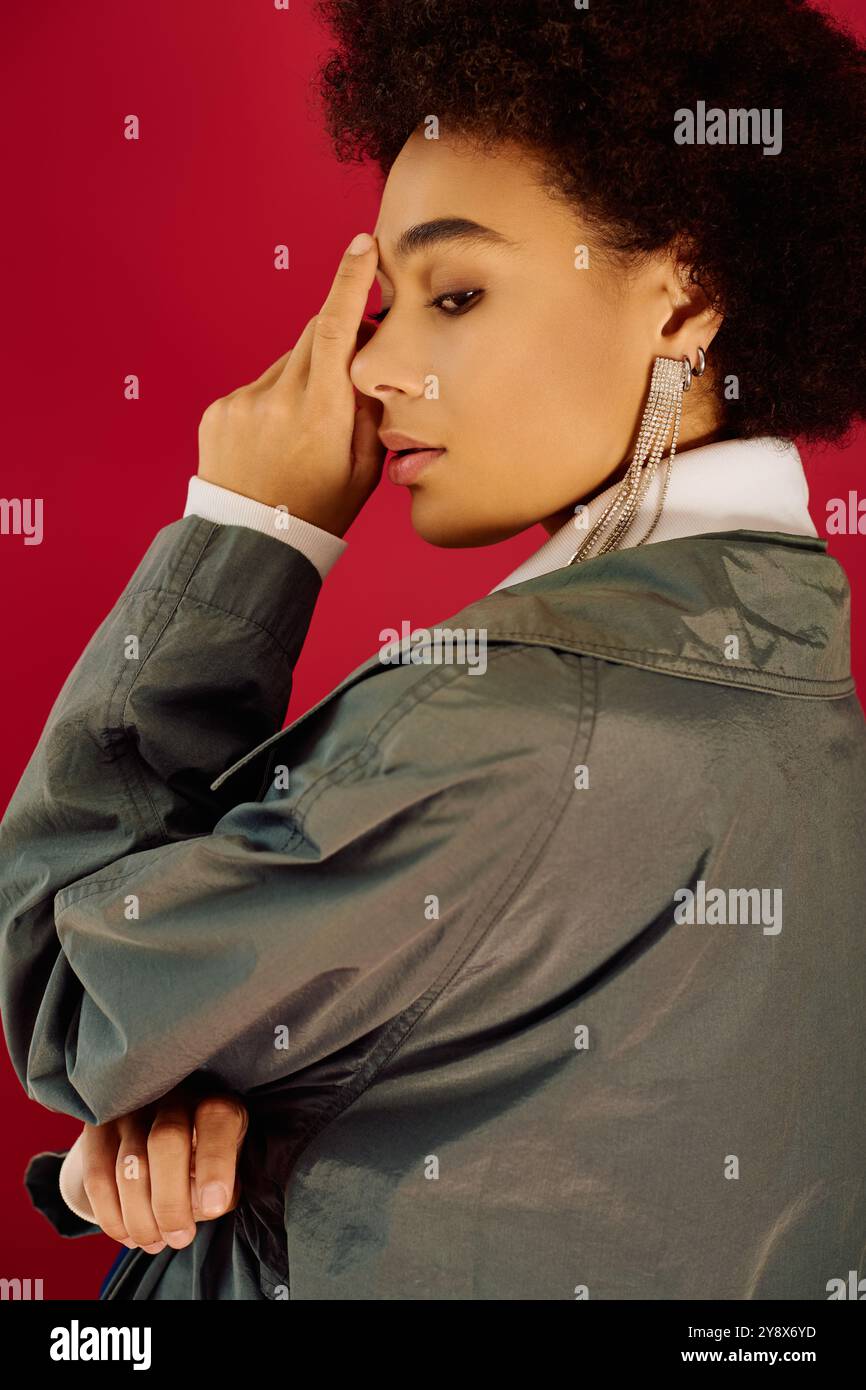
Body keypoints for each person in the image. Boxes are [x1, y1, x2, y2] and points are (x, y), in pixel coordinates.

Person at [2, 0, 865, 1301]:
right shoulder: (802, 687)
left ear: (683, 292)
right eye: (384, 306)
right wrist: (173, 1127)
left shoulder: (509, 724)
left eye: (453, 293)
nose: (379, 368)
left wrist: (246, 534)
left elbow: (67, 988)